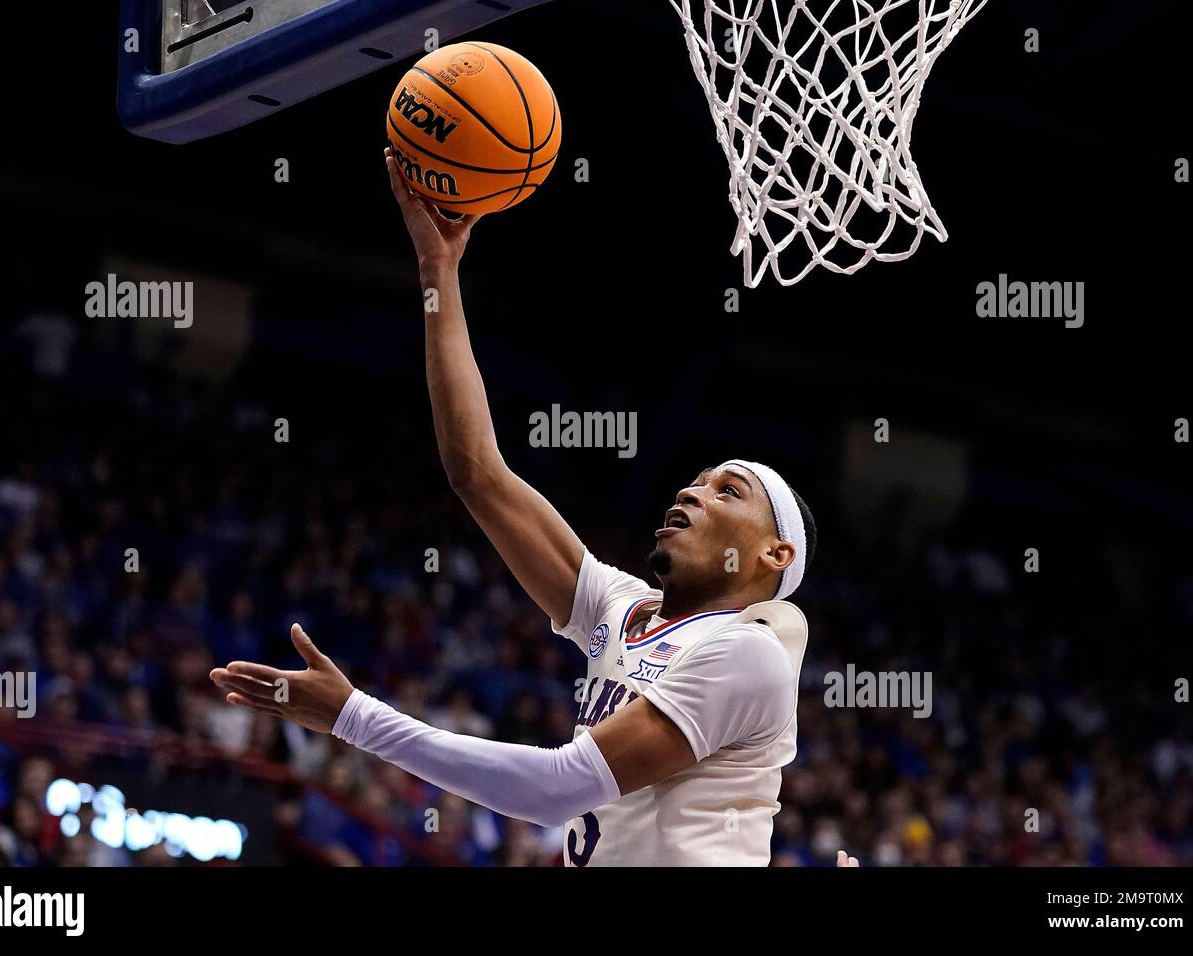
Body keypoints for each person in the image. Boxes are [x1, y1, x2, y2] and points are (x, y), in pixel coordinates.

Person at [208, 149, 859, 868]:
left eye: (726, 491)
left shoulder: (746, 654)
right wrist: (438, 275)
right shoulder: (624, 608)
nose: (691, 492)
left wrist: (353, 716)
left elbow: (558, 788)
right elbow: (478, 472)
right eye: (697, 481)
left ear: (775, 555)